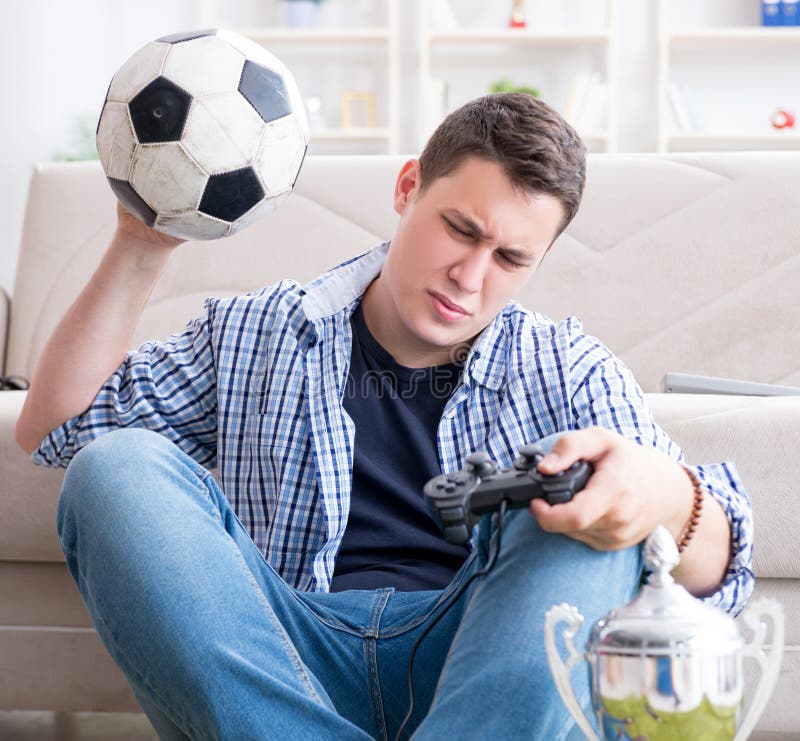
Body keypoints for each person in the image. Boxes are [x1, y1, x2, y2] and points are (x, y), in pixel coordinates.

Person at [15, 93, 753, 740]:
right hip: (284, 653)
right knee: (114, 468)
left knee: (586, 502)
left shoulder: (566, 366)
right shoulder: (257, 330)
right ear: (407, 188)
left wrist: (661, 493)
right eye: (461, 229)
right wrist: (142, 245)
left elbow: (723, 575)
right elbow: (55, 431)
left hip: (477, 662)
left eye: (510, 258)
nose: (471, 277)